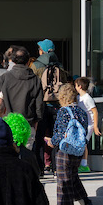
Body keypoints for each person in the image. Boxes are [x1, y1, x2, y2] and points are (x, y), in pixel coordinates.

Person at [46, 82, 92, 205]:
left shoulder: (64, 112)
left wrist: (51, 142)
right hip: (77, 150)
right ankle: (86, 201)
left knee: (64, 182)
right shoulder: (82, 112)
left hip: (65, 150)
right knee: (72, 176)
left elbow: (59, 134)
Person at [0, 46, 41, 167]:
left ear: (13, 61)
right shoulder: (35, 80)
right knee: (27, 156)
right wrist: (37, 121)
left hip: (8, 122)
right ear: (28, 62)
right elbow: (39, 104)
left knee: (9, 157)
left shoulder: (4, 78)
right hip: (28, 122)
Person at [32, 39, 69, 175]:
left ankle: (40, 168)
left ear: (42, 50)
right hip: (57, 106)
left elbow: (33, 86)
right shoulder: (60, 65)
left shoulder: (36, 66)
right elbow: (64, 85)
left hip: (41, 105)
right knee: (56, 136)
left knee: (40, 137)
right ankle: (56, 168)